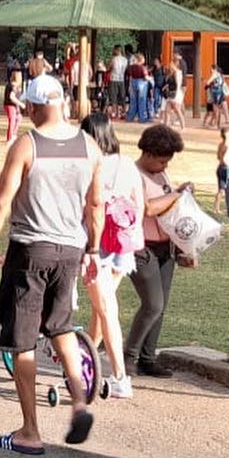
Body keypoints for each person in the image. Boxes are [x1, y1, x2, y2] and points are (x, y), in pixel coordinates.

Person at [0, 73, 103, 454]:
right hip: (70, 251)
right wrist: (92, 250)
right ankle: (79, 400)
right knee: (61, 327)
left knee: (24, 340)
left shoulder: (26, 145)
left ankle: (30, 431)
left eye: (26, 106)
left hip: (31, 249)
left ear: (32, 106)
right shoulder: (90, 147)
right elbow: (95, 205)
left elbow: (0, 200)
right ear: (62, 102)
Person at [79, 113, 143, 398]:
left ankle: (119, 376)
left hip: (95, 244)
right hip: (122, 242)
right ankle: (85, 361)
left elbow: (85, 207)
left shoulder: (90, 165)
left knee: (107, 310)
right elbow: (139, 205)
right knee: (101, 308)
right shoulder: (127, 164)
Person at [122, 123, 190, 380]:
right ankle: (130, 355)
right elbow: (146, 209)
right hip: (142, 246)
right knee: (153, 303)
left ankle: (147, 358)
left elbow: (169, 207)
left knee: (161, 305)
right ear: (148, 153)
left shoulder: (161, 176)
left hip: (165, 247)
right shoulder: (133, 173)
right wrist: (176, 194)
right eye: (162, 161)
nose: (165, 166)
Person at [213, 127, 229, 215]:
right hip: (225, 168)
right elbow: (224, 159)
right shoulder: (226, 146)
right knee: (225, 190)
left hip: (220, 168)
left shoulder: (221, 144)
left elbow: (218, 157)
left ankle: (217, 207)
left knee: (222, 189)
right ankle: (218, 208)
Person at [3, 69, 24, 142]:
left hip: (11, 106)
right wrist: (21, 104)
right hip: (10, 105)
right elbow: (12, 97)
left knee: (19, 118)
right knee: (12, 121)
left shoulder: (14, 86)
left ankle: (13, 134)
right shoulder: (12, 86)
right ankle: (10, 137)